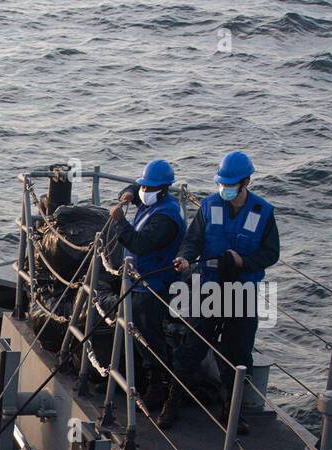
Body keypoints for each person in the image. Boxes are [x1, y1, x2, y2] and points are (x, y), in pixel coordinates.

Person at [171, 150, 280, 434]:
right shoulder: (208, 207)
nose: (225, 189)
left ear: (246, 183)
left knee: (239, 352)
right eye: (222, 184)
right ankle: (172, 403)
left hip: (241, 294)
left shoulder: (263, 213)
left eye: (231, 184)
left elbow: (271, 253)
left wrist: (244, 262)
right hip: (209, 289)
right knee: (192, 345)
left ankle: (231, 411)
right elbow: (192, 241)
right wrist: (185, 257)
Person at [108, 159, 185, 422]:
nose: (144, 192)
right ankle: (148, 378)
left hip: (154, 287)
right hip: (138, 284)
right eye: (143, 187)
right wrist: (128, 193)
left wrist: (119, 222)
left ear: (163, 190)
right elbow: (135, 188)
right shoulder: (154, 203)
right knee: (139, 334)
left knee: (150, 337)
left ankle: (158, 385)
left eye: (149, 188)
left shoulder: (167, 218)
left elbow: (140, 244)